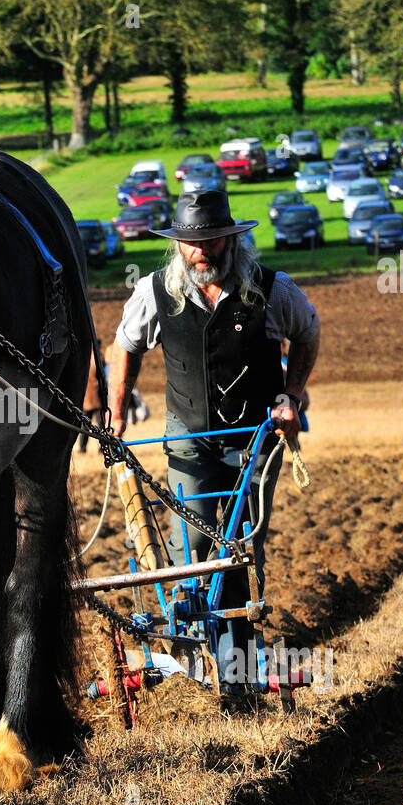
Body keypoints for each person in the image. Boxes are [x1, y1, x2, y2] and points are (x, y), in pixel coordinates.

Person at [107, 189, 320, 703]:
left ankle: (238, 667)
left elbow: (309, 332)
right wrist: (116, 413)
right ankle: (195, 648)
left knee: (241, 548)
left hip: (254, 437)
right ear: (178, 245)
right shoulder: (156, 293)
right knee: (194, 547)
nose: (200, 251)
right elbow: (125, 346)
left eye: (210, 241)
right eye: (190, 243)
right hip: (188, 437)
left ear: (231, 240)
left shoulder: (272, 290)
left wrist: (291, 396)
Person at [76, 337, 148, 453]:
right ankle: (102, 447)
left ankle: (83, 448)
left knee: (86, 425)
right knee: (102, 426)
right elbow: (104, 377)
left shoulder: (85, 357)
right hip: (97, 398)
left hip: (86, 398)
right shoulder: (98, 358)